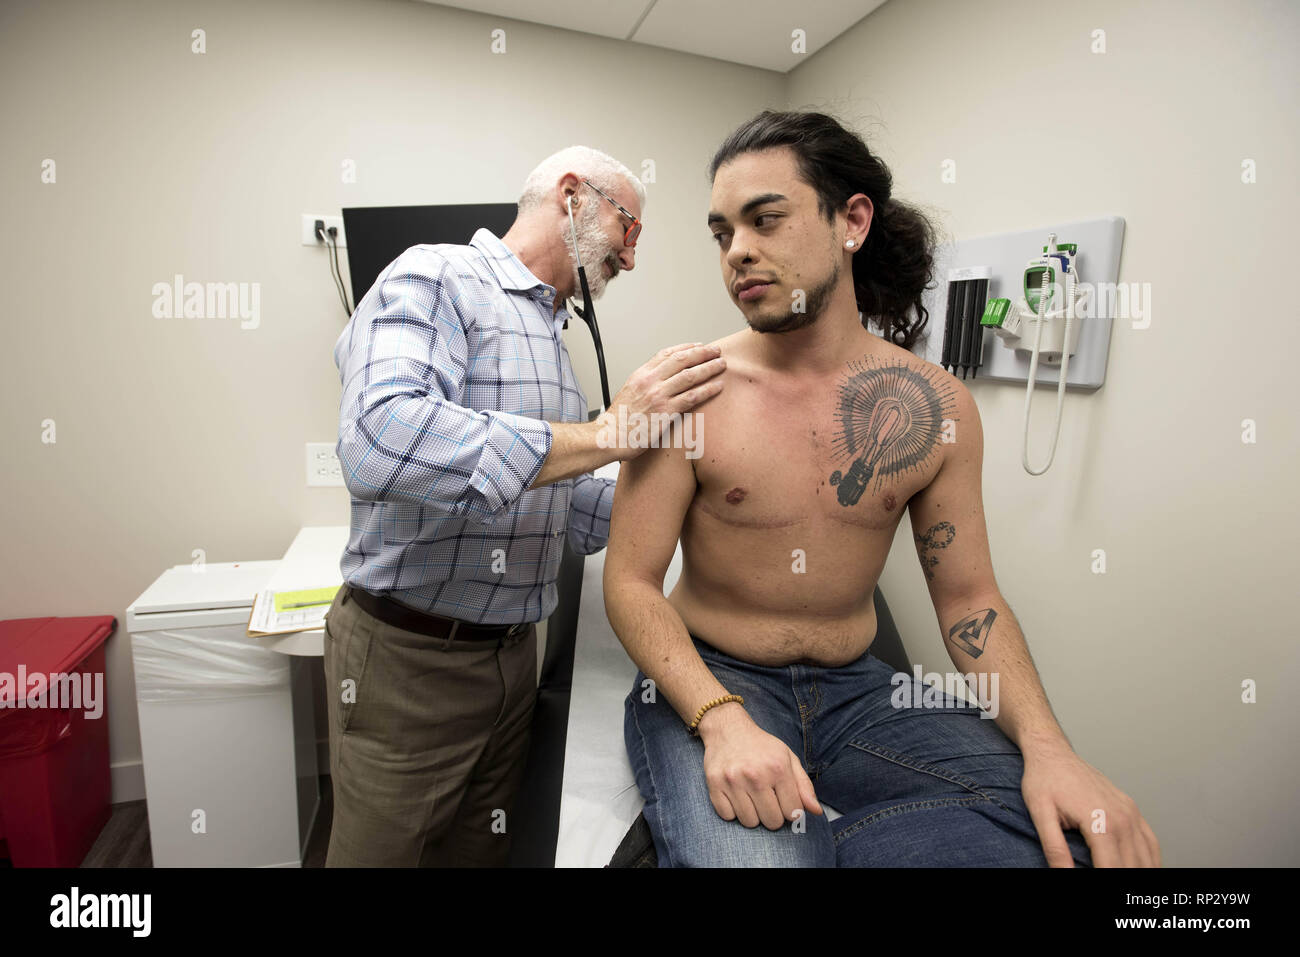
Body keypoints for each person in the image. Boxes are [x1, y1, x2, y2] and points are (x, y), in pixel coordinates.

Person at [604, 111, 1161, 867]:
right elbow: (631, 583)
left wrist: (1049, 747)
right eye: (722, 233)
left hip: (863, 694)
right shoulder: (687, 390)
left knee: (1067, 837)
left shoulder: (938, 407)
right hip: (714, 679)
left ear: (853, 222)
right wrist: (723, 722)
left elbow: (969, 599)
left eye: (765, 219)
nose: (737, 252)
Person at [324, 145, 726, 866]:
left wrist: (697, 499)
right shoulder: (436, 276)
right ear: (573, 195)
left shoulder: (550, 337)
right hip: (412, 661)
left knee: (481, 853)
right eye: (629, 228)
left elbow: (563, 503)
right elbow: (379, 439)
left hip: (513, 658)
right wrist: (608, 433)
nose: (630, 258)